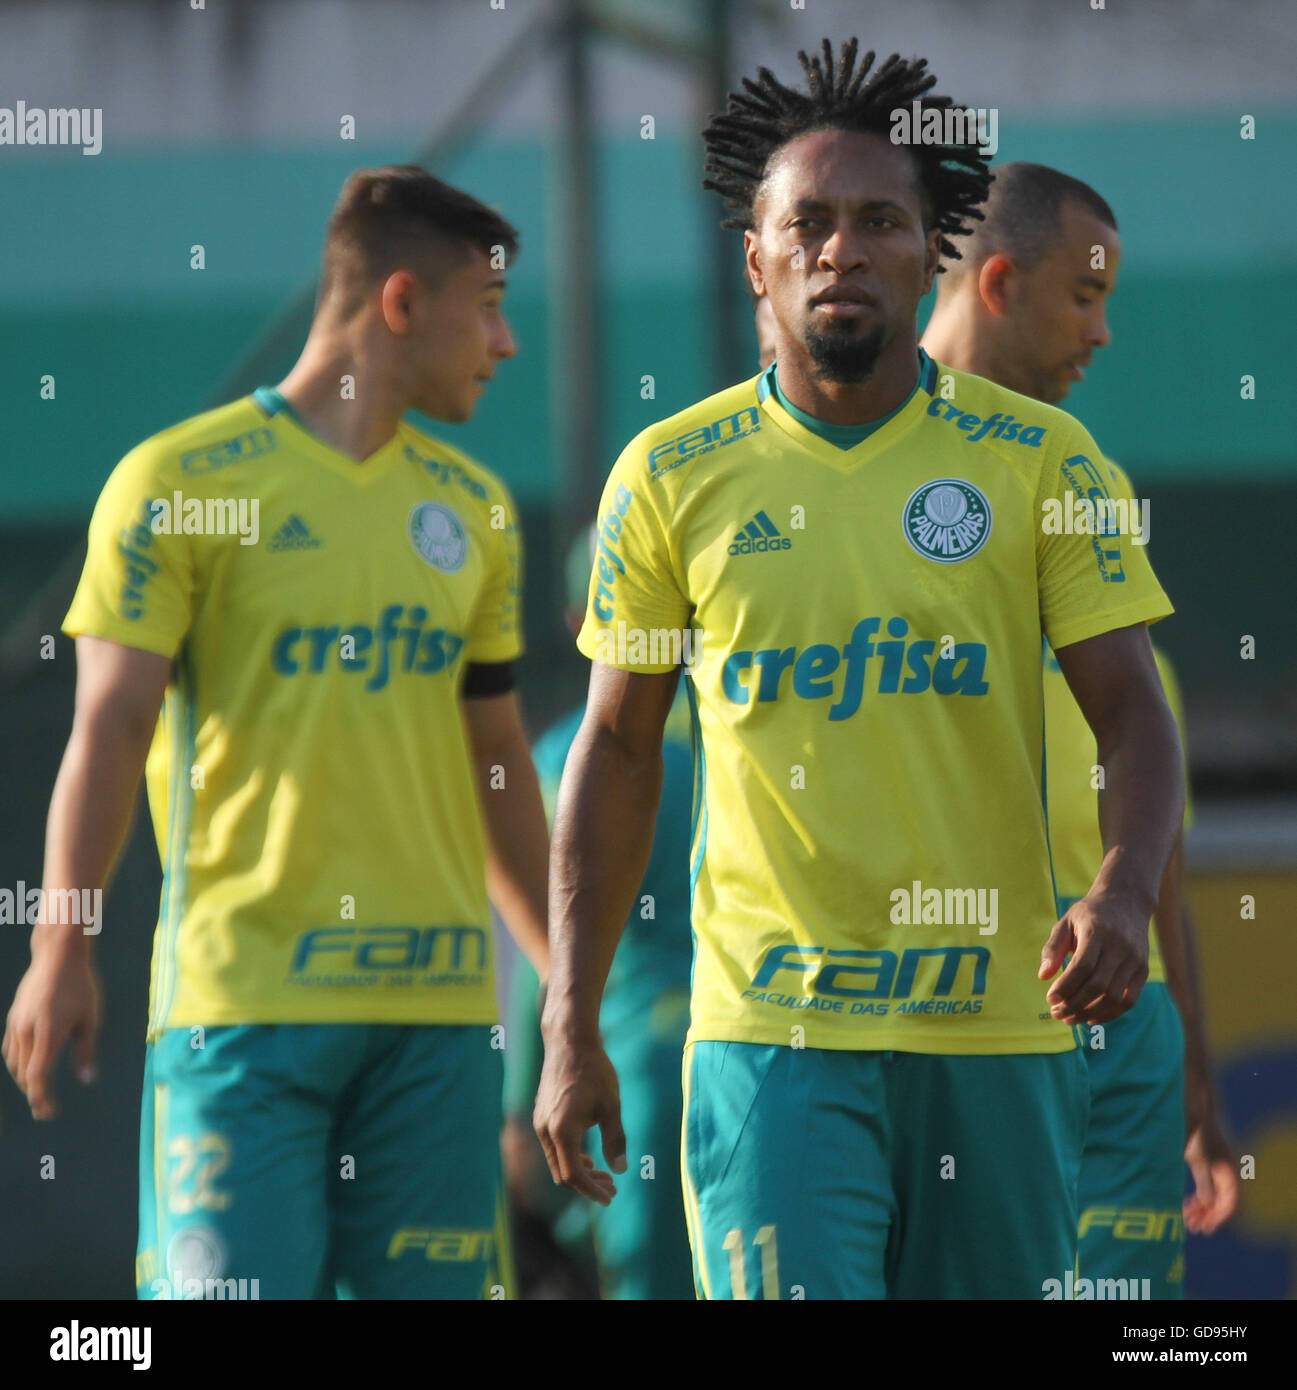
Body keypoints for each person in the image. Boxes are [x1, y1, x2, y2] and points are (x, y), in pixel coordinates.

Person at [534, 40, 1184, 1301]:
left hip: (998, 1037)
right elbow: (615, 753)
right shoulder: (670, 476)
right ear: (756, 257)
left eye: (880, 220)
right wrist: (570, 1015)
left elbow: (1132, 718)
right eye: (807, 222)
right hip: (772, 1044)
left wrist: (1122, 887)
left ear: (929, 249)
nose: (841, 249)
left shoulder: (1045, 464)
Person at [3, 165, 550, 1300]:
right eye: (488, 306)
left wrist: (568, 991)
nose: (503, 343)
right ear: (400, 302)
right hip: (240, 1016)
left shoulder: (479, 513)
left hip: (438, 1023)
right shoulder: (177, 484)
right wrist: (61, 946)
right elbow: (104, 730)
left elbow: (496, 761)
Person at [922, 161, 1239, 1295]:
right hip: (941, 1025)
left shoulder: (1083, 485)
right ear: (998, 281)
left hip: (1117, 1026)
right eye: (1085, 297)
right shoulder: (838, 474)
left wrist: (1196, 1089)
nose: (1103, 333)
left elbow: (1161, 850)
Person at [503, 530, 695, 1299]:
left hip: (629, 1064)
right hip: (763, 1050)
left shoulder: (567, 758)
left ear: (585, 613)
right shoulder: (745, 728)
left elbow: (543, 947)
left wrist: (521, 1099)